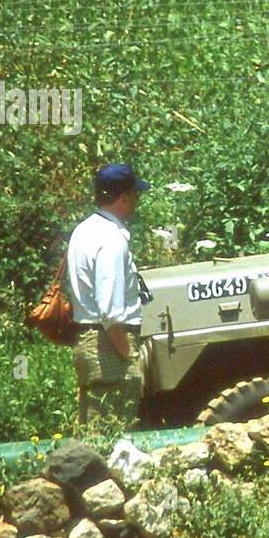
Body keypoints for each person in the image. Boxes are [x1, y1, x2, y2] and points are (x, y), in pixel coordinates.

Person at [66, 163, 151, 428]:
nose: (137, 202)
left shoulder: (83, 230)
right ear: (124, 198)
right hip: (109, 345)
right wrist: (127, 354)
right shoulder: (111, 240)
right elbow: (109, 310)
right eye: (135, 195)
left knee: (94, 426)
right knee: (113, 431)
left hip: (91, 340)